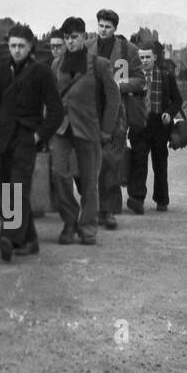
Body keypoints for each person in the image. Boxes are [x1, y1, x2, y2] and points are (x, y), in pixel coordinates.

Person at [0, 23, 64, 262]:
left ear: (30, 47)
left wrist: (38, 136)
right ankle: (31, 240)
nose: (16, 50)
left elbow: (57, 112)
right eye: (13, 45)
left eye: (21, 46)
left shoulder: (41, 73)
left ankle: (9, 237)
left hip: (26, 140)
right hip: (2, 140)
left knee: (17, 188)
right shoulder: (0, 72)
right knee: (10, 190)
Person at [48, 17, 120, 248]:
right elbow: (50, 98)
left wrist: (107, 130)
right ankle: (70, 222)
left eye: (75, 37)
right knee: (59, 175)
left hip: (89, 130)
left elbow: (113, 98)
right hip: (61, 129)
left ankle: (88, 228)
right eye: (67, 38)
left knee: (89, 182)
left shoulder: (99, 64)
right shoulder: (57, 64)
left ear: (84, 36)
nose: (70, 42)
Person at [89, 8, 145, 230]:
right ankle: (91, 207)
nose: (103, 30)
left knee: (112, 161)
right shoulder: (87, 47)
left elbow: (140, 80)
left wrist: (119, 85)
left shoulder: (127, 49)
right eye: (101, 26)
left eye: (108, 27)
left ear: (115, 28)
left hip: (116, 113)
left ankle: (109, 210)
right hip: (90, 110)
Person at [126, 29, 183, 215]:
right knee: (138, 161)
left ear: (155, 57)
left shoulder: (166, 77)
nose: (144, 61)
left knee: (160, 163)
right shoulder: (134, 78)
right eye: (141, 58)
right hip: (139, 125)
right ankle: (136, 199)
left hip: (159, 124)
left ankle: (162, 199)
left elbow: (177, 100)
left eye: (147, 57)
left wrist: (169, 113)